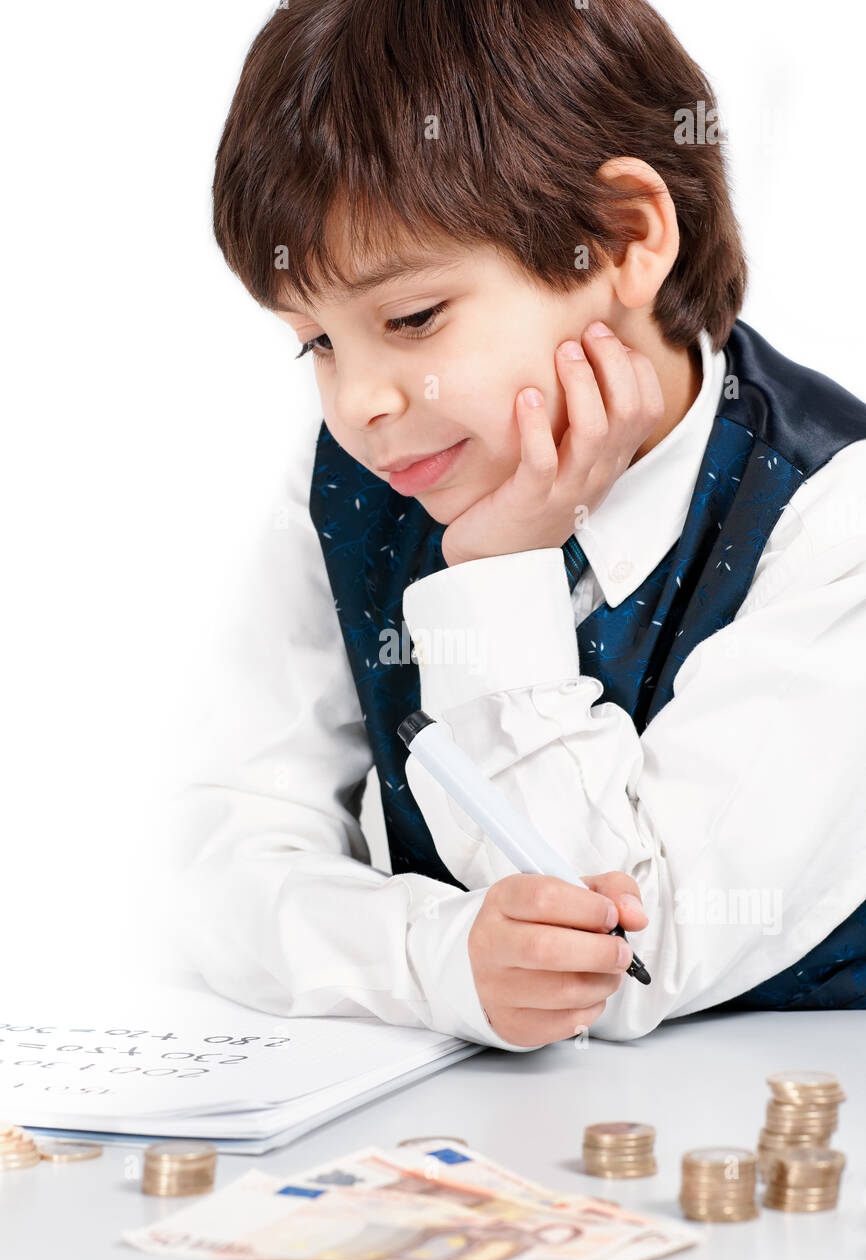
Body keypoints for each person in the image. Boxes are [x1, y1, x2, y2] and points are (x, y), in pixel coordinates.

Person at [171, 0, 866, 1050]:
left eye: (410, 319)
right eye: (314, 342)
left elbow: (628, 961)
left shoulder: (829, 517)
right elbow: (227, 851)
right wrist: (431, 955)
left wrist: (500, 569)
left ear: (624, 236)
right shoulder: (369, 481)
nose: (357, 401)